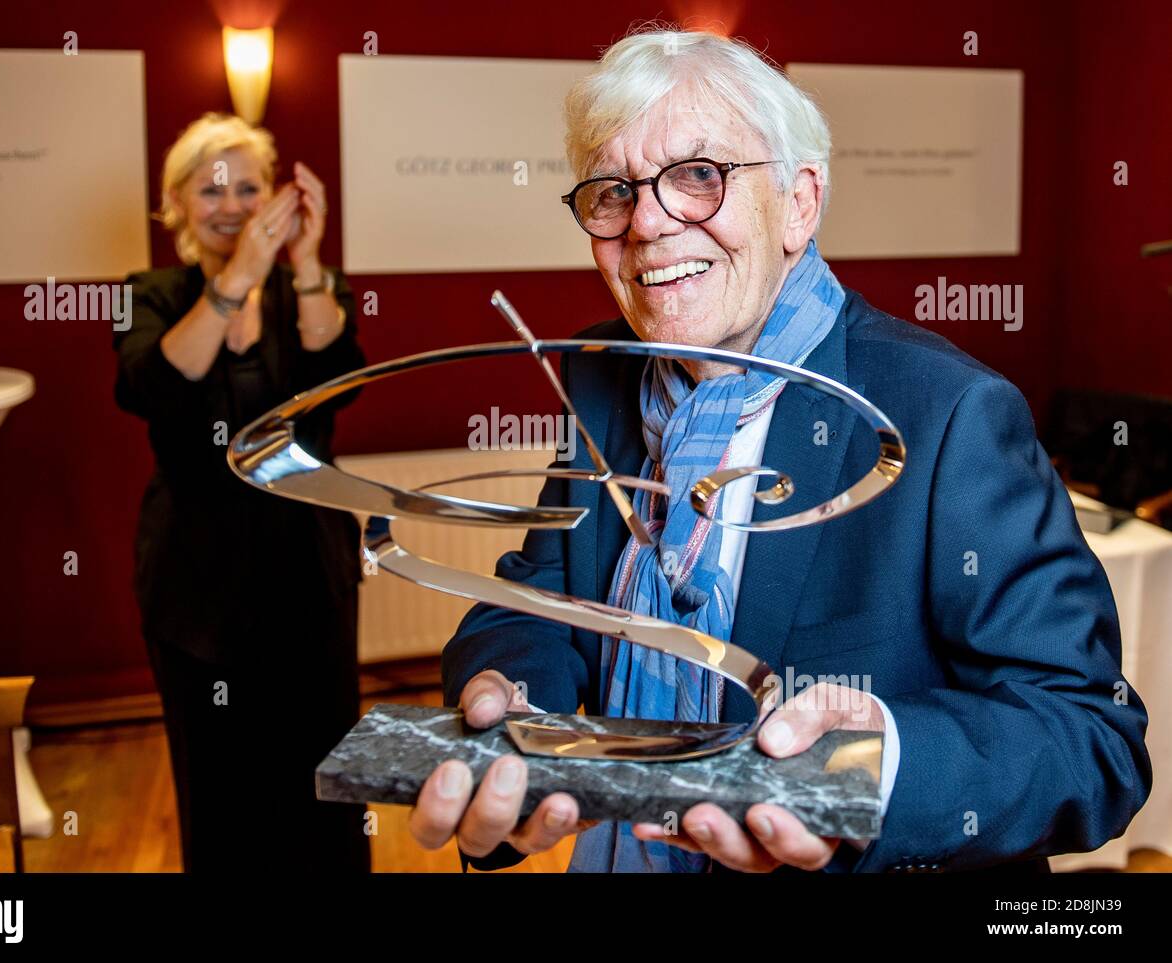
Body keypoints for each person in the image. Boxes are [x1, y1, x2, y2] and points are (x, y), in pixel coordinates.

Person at [411, 29, 1152, 873]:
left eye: (698, 175)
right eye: (614, 190)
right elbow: (537, 601)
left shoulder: (949, 414)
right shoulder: (598, 378)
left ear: (800, 203)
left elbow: (1094, 737)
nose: (648, 221)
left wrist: (881, 767)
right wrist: (511, 703)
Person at [113, 113, 369, 873]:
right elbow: (150, 384)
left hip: (309, 567)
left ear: (276, 198)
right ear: (176, 202)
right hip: (197, 580)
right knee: (220, 777)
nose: (231, 203)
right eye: (210, 187)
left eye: (248, 186)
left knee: (324, 768)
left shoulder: (308, 289)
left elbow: (339, 379)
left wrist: (309, 257)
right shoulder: (149, 293)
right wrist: (234, 285)